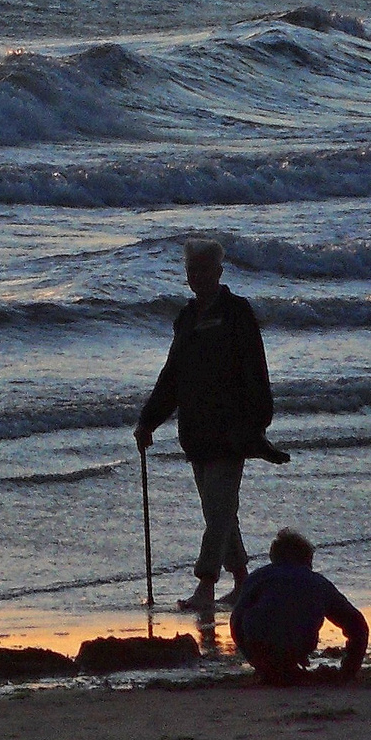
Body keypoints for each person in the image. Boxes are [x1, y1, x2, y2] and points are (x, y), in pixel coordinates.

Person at [134, 238, 286, 612]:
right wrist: (148, 421)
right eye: (192, 270)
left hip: (232, 431)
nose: (198, 277)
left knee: (218, 507)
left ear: (219, 272)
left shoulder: (237, 313)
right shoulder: (186, 318)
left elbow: (256, 371)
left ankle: (205, 584)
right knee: (218, 509)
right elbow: (172, 377)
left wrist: (257, 425)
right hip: (197, 432)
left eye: (205, 270)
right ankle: (243, 581)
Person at [230, 529, 368, 686]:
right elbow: (357, 626)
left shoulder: (257, 577)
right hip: (298, 644)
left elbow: (236, 620)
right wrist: (349, 670)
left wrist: (252, 657)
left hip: (258, 644)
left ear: (273, 557)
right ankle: (285, 665)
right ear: (307, 559)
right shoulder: (317, 582)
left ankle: (269, 669)